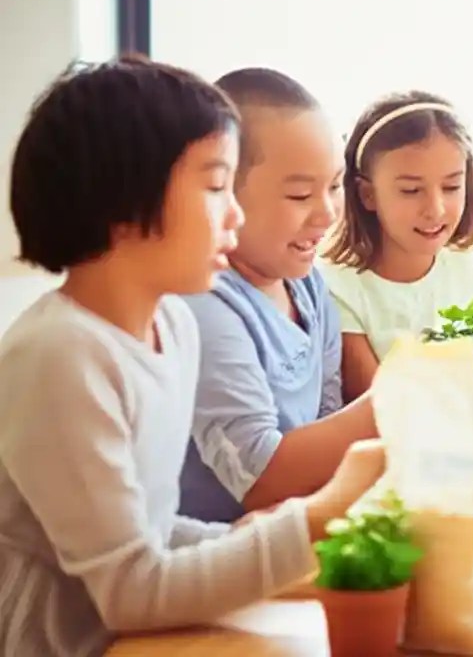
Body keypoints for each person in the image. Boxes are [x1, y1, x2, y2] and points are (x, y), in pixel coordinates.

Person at [0, 57, 384, 657]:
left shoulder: (173, 323)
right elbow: (128, 588)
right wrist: (314, 518)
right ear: (123, 201)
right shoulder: (59, 356)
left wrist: (242, 538)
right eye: (213, 187)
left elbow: (151, 530)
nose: (233, 213)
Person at [318, 92, 473, 450]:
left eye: (452, 186)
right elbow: (381, 409)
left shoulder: (464, 270)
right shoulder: (338, 286)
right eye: (411, 190)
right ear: (367, 195)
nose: (435, 208)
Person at [179, 67, 379, 523]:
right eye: (300, 195)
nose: (327, 214)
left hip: (282, 542)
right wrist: (395, 399)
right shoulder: (204, 305)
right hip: (210, 563)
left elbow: (329, 426)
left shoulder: (308, 285)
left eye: (333, 186)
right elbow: (259, 478)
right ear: (224, 194)